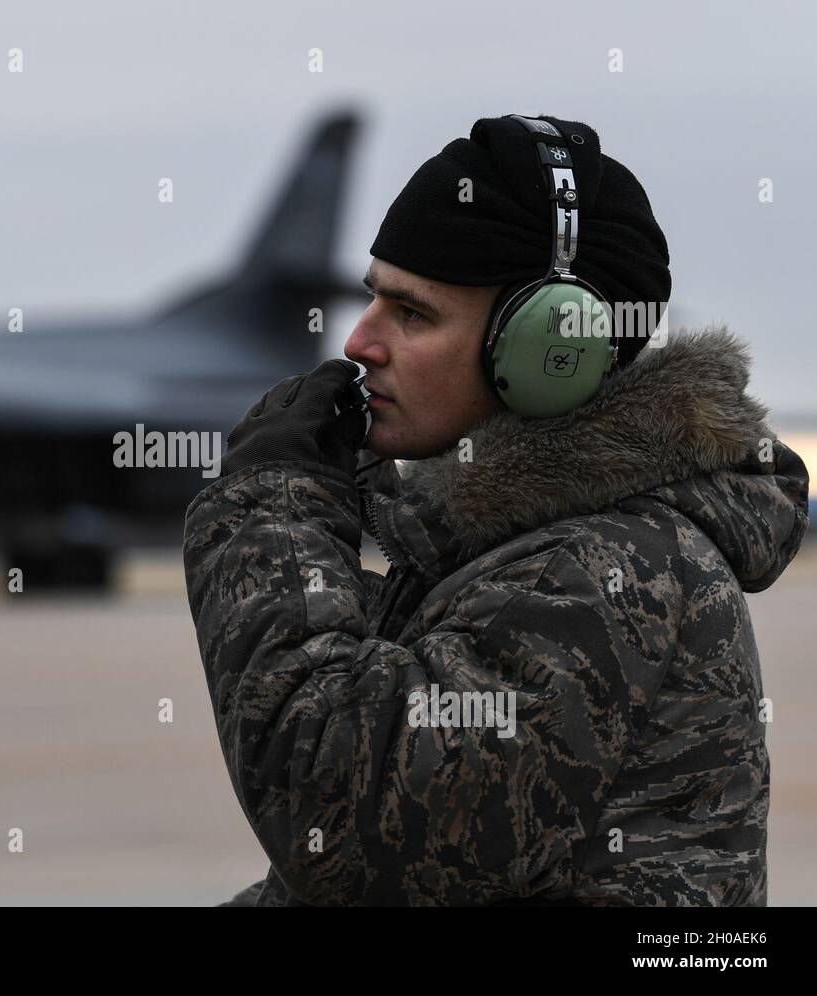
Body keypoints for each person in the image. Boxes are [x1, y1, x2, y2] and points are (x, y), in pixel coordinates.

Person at [181, 113, 810, 906]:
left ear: (554, 353)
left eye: (412, 315)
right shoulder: (499, 549)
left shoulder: (605, 568)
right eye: (374, 299)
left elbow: (349, 829)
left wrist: (269, 511)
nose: (358, 342)